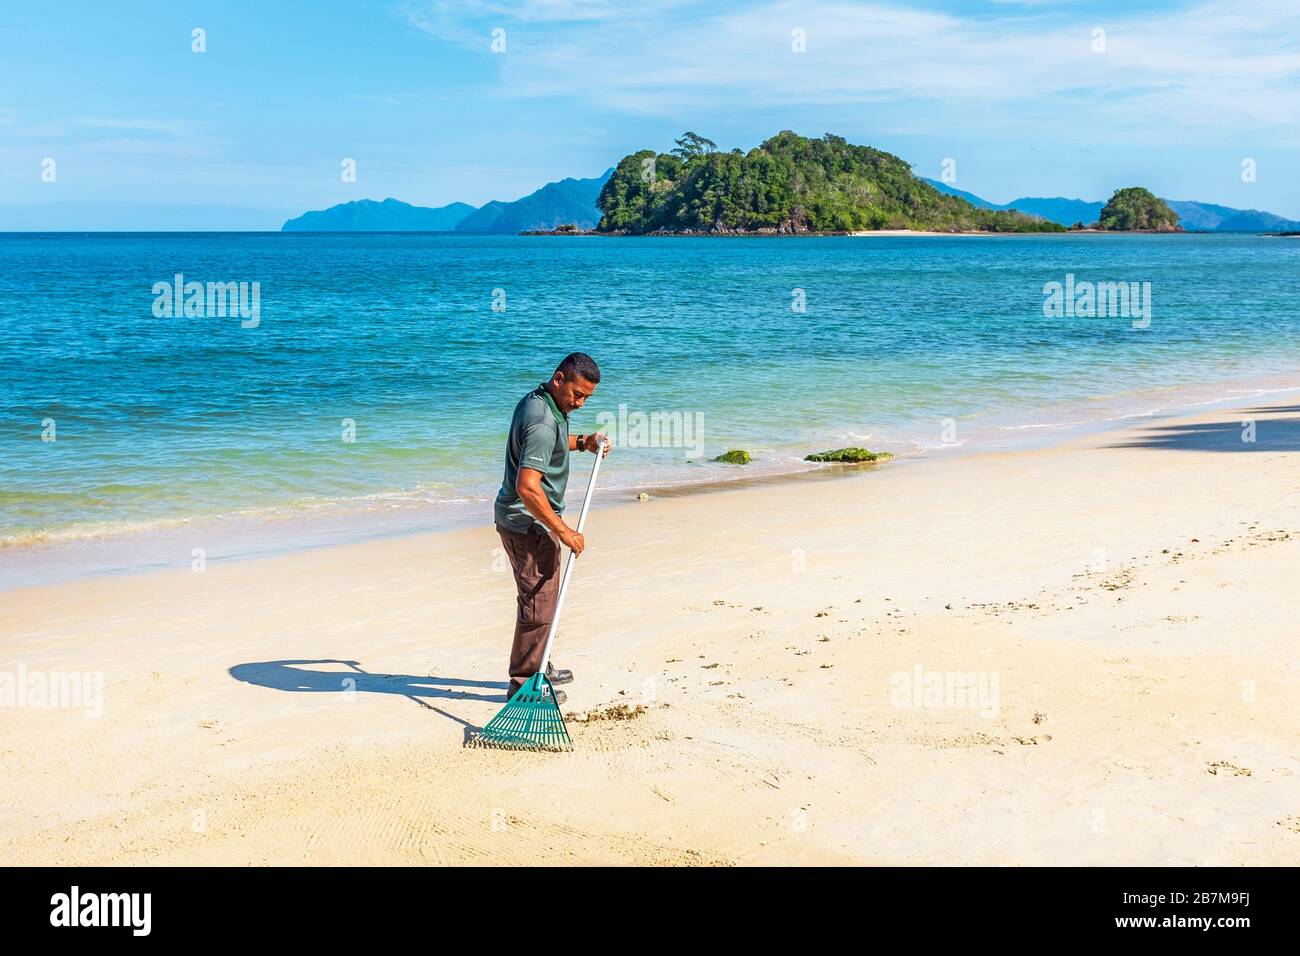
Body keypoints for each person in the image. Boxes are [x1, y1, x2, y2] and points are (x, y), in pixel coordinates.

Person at [494, 352, 610, 703]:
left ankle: (540, 663)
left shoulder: (541, 402)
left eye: (587, 398)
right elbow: (527, 487)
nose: (580, 402)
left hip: (531, 522)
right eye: (577, 394)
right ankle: (524, 684)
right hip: (526, 525)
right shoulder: (543, 420)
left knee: (543, 598)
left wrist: (583, 442)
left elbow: (548, 447)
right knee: (537, 606)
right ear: (559, 379)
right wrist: (563, 531)